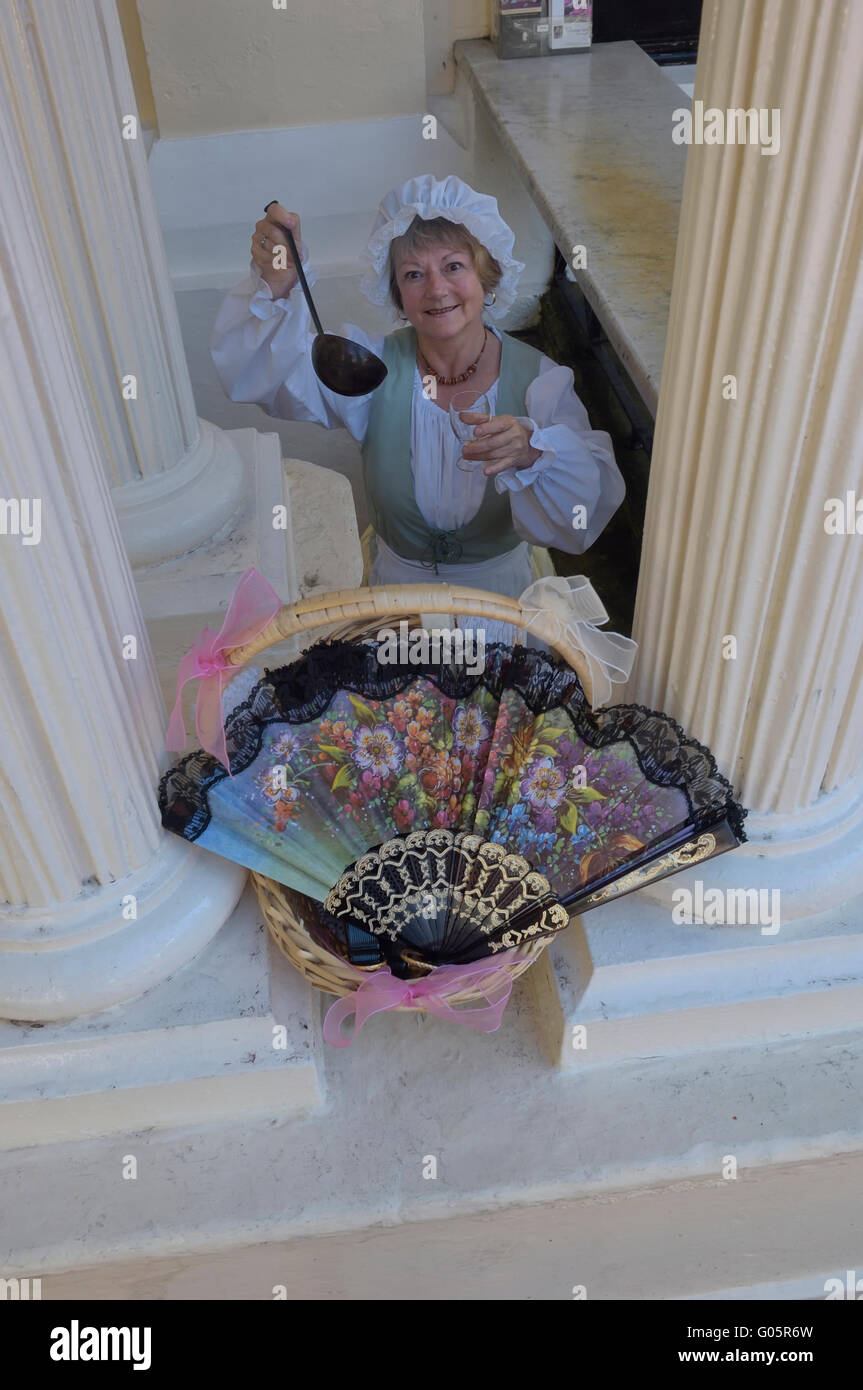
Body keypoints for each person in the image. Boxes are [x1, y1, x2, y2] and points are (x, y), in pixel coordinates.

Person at [210, 174, 624, 635]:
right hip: (395, 611)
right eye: (413, 274)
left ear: (487, 278)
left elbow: (586, 510)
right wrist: (281, 285)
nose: (436, 289)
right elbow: (264, 377)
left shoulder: (540, 382)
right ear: (398, 296)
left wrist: (533, 452)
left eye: (453, 266)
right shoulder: (367, 367)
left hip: (502, 612)